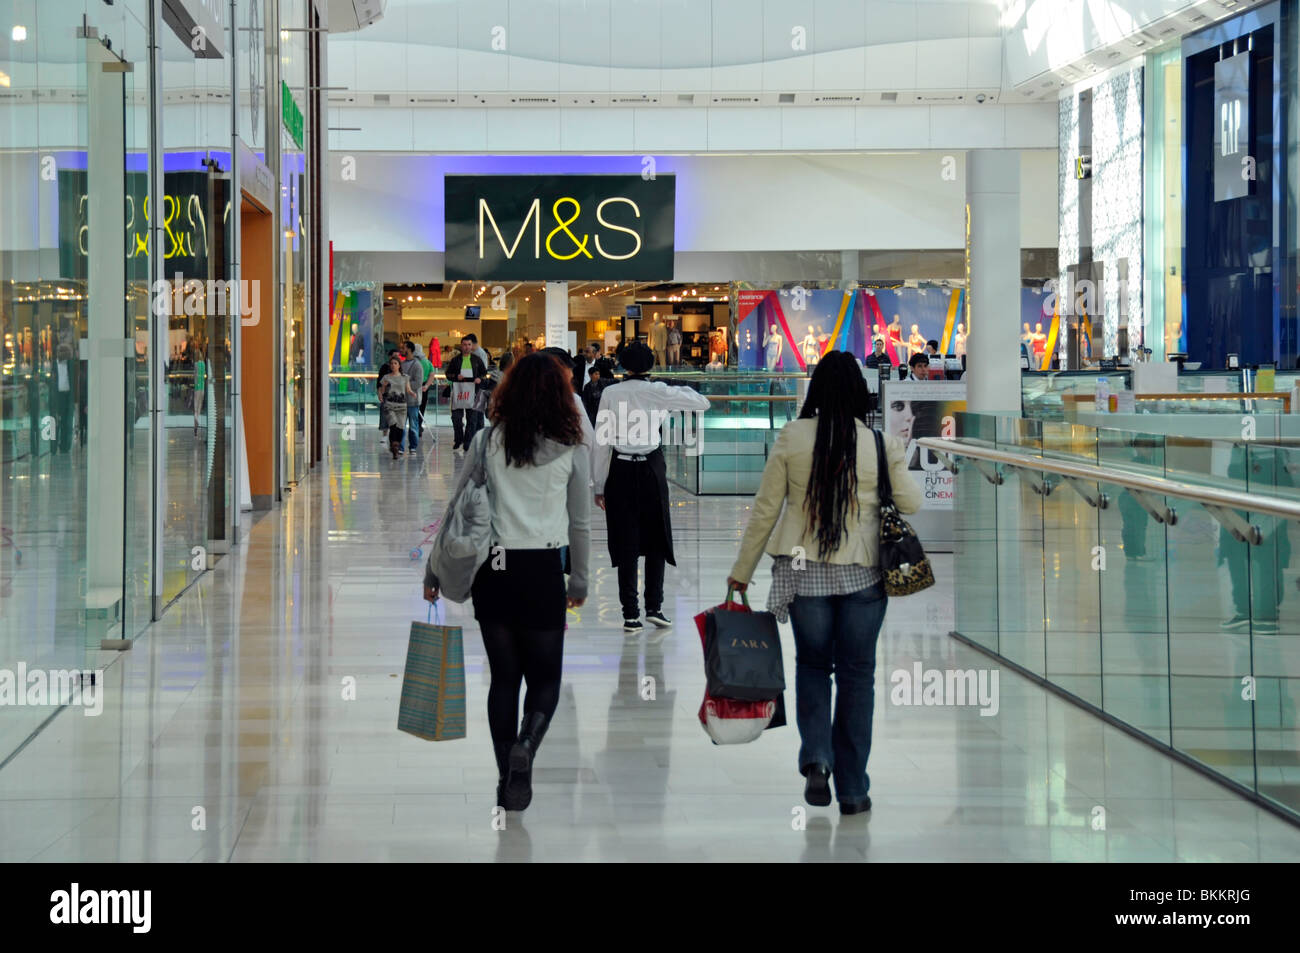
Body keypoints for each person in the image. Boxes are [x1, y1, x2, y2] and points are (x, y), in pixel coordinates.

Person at [726, 351, 922, 814]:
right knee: (857, 675)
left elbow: (766, 510)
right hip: (864, 574)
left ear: (815, 390)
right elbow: (911, 503)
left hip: (801, 572)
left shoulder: (793, 436)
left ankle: (817, 759)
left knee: (814, 667)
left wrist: (742, 571)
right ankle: (853, 790)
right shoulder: (879, 443)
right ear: (860, 392)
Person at [424, 353, 590, 811]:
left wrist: (432, 570)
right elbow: (581, 525)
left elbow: (457, 507)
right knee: (546, 680)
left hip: (493, 571)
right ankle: (528, 745)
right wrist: (579, 580)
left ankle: (506, 780)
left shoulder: (485, 440)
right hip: (541, 572)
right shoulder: (570, 446)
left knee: (504, 680)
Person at [592, 341, 710, 632]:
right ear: (651, 366)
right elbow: (701, 403)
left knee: (626, 539)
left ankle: (630, 613)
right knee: (657, 535)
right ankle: (654, 606)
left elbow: (602, 440)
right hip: (651, 468)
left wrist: (599, 484)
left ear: (622, 364)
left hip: (620, 468)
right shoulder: (658, 391)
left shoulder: (610, 392)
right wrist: (670, 387)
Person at [445, 336, 487, 454]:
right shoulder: (455, 360)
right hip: (458, 392)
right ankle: (458, 439)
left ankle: (468, 442)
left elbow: (484, 374)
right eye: (464, 344)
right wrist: (455, 377)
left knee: (472, 420)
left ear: (471, 345)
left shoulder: (477, 360)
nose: (467, 347)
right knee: (456, 418)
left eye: (469, 344)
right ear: (461, 345)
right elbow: (448, 374)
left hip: (473, 392)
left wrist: (479, 379)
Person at [378, 356, 416, 458]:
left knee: (400, 427)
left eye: (395, 363)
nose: (393, 365)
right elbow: (381, 389)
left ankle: (396, 445)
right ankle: (394, 444)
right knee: (393, 425)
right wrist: (381, 394)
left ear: (399, 365)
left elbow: (408, 389)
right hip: (390, 405)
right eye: (391, 363)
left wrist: (412, 393)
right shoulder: (386, 377)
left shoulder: (405, 377)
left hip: (402, 406)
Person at [399, 342, 425, 454]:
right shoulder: (401, 364)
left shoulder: (417, 365)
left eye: (403, 348)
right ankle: (401, 447)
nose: (401, 350)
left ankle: (413, 446)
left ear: (409, 349)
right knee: (401, 425)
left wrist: (405, 385)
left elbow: (418, 383)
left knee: (413, 424)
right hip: (401, 401)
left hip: (413, 401)